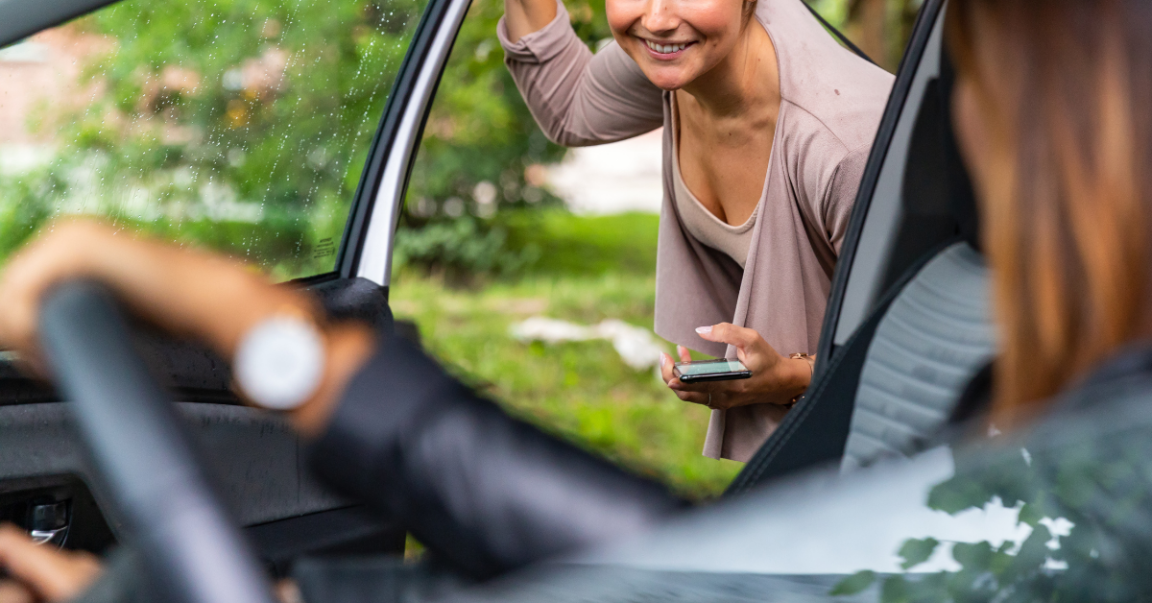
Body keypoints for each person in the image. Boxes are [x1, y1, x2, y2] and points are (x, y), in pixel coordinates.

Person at [2, 0, 1152, 597]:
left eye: (990, 70)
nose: (955, 112)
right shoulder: (1063, 438)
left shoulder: (1114, 477)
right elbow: (729, 576)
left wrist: (270, 339)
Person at [501, 0, 893, 461]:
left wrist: (790, 376)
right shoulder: (688, 52)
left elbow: (933, 349)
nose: (658, 19)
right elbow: (570, 106)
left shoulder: (847, 147)